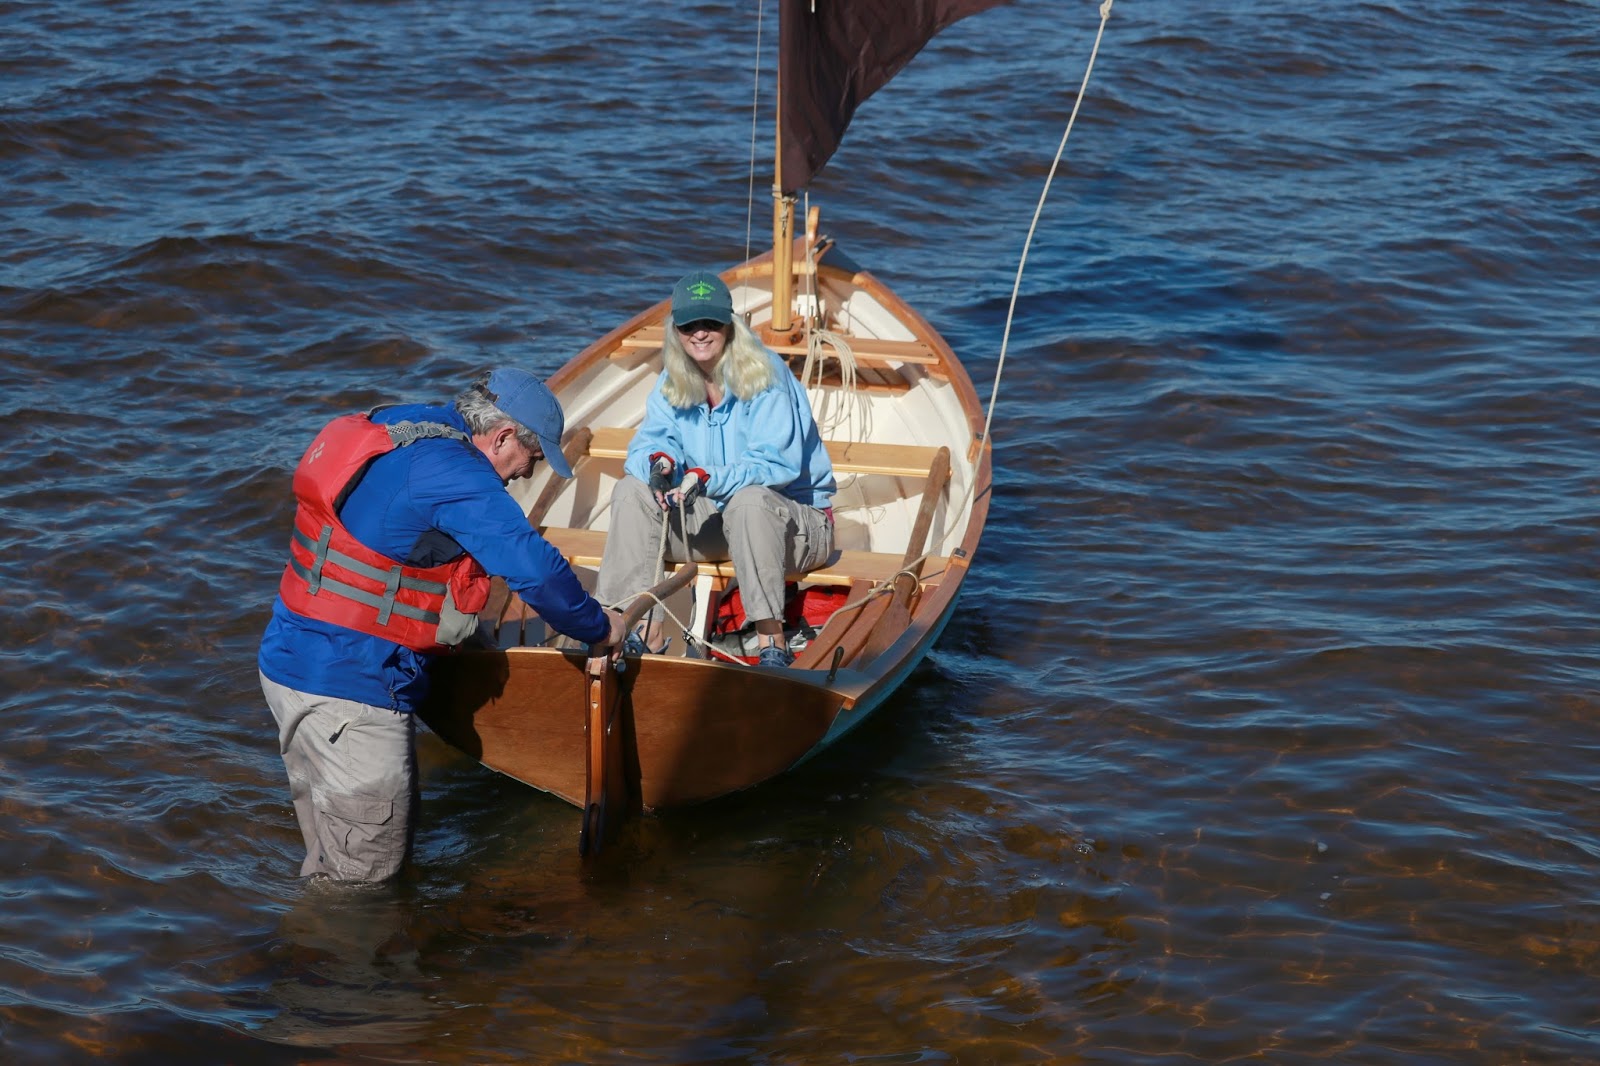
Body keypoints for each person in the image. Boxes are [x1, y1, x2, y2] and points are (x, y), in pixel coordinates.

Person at [258, 368, 625, 883]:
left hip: (289, 666)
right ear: (501, 437)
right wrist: (598, 628)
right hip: (352, 689)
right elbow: (536, 569)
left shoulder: (410, 424)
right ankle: (336, 962)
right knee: (363, 883)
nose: (526, 474)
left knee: (329, 860)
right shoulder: (456, 473)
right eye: (531, 458)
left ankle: (312, 953)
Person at [594, 270, 836, 668]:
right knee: (631, 490)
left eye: (711, 323)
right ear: (677, 330)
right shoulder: (673, 380)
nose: (700, 333)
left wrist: (706, 477)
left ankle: (770, 643)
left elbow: (778, 465)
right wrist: (660, 463)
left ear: (730, 325)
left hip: (798, 525)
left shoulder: (767, 375)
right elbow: (646, 446)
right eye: (690, 324)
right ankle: (631, 630)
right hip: (718, 522)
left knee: (750, 502)